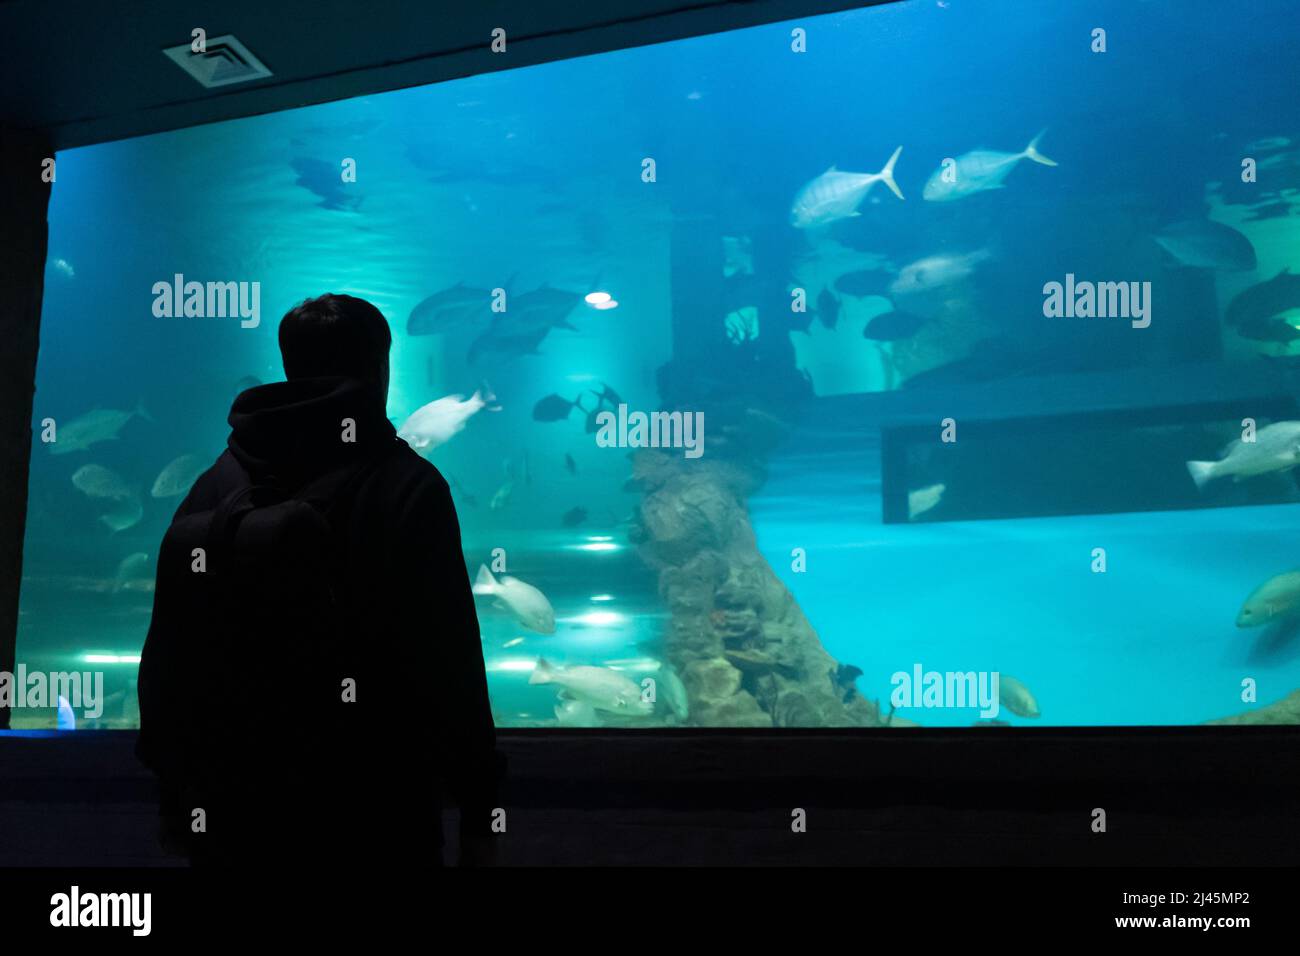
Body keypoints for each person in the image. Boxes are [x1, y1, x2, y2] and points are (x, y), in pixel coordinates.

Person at [137, 293, 502, 868]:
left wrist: (174, 795)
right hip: (374, 812)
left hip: (238, 807)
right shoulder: (407, 485)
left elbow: (169, 650)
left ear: (289, 366)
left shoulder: (217, 483)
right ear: (381, 370)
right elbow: (450, 658)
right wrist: (482, 810)